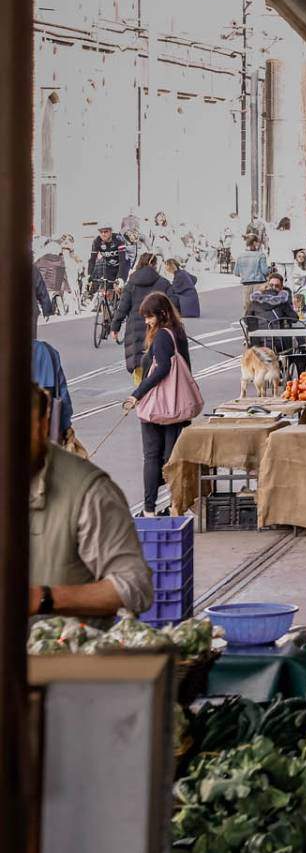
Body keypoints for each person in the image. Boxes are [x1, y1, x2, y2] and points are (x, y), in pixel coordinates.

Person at [26, 387, 153, 619]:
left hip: (61, 651)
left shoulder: (89, 492)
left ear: (44, 424)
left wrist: (45, 598)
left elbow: (135, 587)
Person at [121, 294, 196, 516]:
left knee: (153, 457)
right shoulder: (177, 332)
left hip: (158, 406)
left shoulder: (162, 336)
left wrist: (137, 395)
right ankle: (174, 506)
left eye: (149, 316)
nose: (146, 322)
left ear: (162, 314)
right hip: (176, 405)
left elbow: (162, 368)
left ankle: (149, 509)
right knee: (170, 458)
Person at [114, 253, 169, 373]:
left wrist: (115, 327)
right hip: (157, 329)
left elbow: (122, 307)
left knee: (139, 371)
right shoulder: (163, 283)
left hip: (135, 333)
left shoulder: (131, 284)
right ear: (154, 265)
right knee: (158, 370)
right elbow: (174, 304)